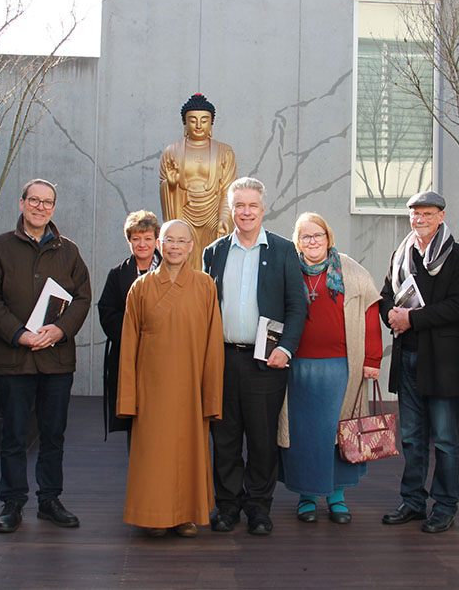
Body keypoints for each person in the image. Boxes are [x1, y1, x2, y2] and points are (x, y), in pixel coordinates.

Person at [0, 178, 92, 534]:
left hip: (56, 361)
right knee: (13, 435)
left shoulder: (69, 251)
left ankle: (49, 499)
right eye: (34, 200)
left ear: (54, 208)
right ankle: (12, 502)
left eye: (47, 202)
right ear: (22, 203)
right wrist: (19, 334)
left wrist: (60, 330)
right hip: (14, 359)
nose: (40, 207)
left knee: (53, 434)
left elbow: (83, 297)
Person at [202, 177, 308, 536]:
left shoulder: (283, 251)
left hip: (267, 361)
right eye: (239, 205)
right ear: (230, 209)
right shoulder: (214, 252)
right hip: (223, 359)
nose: (245, 212)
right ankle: (228, 506)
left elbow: (297, 306)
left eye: (252, 205)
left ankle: (259, 508)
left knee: (263, 440)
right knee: (225, 438)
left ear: (263, 209)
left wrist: (285, 348)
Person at [118, 219, 225, 537]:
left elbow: (213, 345)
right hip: (152, 386)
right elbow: (128, 347)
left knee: (188, 452)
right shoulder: (141, 287)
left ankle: (186, 515)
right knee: (153, 453)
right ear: (159, 245)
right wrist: (129, 397)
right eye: (169, 240)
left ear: (191, 247)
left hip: (191, 386)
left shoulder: (205, 286)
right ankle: (153, 515)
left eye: (181, 241)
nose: (175, 246)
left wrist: (211, 394)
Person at [278, 213, 382, 525]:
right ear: (297, 242)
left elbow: (370, 311)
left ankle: (337, 497)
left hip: (341, 369)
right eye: (305, 236)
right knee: (303, 435)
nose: (312, 241)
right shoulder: (288, 269)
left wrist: (373, 359)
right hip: (297, 369)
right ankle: (307, 497)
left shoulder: (351, 270)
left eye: (318, 235)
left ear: (328, 238)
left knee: (338, 432)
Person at [380, 190, 459, 534]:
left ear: (441, 216)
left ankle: (445, 506)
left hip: (442, 361)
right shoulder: (400, 254)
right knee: (411, 437)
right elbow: (386, 295)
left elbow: (457, 307)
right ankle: (413, 501)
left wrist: (411, 319)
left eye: (428, 214)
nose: (420, 219)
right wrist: (391, 315)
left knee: (445, 440)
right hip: (407, 356)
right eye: (415, 214)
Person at [97, 210, 162, 444]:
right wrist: (134, 336)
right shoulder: (117, 274)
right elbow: (107, 312)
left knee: (161, 414)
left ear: (157, 241)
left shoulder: (172, 271)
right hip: (128, 355)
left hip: (162, 356)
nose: (142, 244)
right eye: (136, 238)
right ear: (129, 241)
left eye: (147, 238)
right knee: (133, 417)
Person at [160, 93, 237, 271]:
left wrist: (224, 218)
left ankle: (209, 288)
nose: (198, 125)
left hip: (213, 215)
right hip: (183, 213)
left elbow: (228, 190)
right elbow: (165, 190)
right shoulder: (171, 152)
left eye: (204, 120)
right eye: (193, 120)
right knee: (183, 260)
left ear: (211, 123)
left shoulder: (225, 152)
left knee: (213, 262)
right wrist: (170, 185)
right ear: (185, 123)